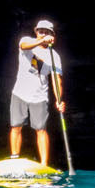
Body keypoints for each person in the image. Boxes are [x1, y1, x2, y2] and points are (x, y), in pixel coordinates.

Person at [10, 18, 64, 166]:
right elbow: (24, 45)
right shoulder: (27, 40)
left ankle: (44, 164)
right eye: (41, 31)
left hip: (40, 96)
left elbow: (56, 79)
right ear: (36, 32)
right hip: (19, 92)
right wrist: (41, 41)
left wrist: (59, 100)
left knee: (41, 129)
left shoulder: (55, 56)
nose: (43, 34)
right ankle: (14, 157)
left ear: (52, 35)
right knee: (16, 126)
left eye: (47, 32)